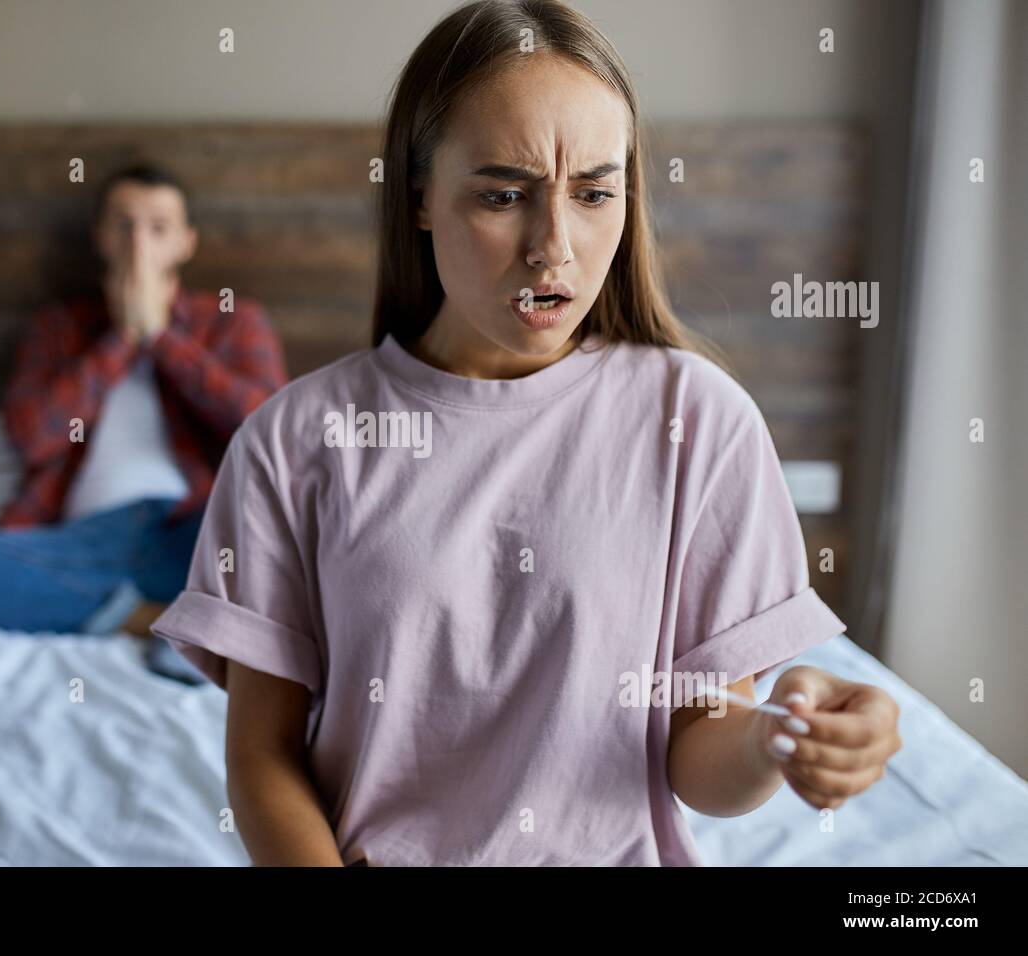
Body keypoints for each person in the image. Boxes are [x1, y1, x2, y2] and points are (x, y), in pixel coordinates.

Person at [149, 0, 902, 865]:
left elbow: (700, 762)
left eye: (592, 193)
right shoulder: (294, 442)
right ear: (420, 197)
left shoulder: (699, 422)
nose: (554, 247)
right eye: (503, 195)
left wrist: (783, 730)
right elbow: (262, 753)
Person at [0, 163, 287, 680]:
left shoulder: (233, 321)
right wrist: (121, 338)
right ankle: (165, 620)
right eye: (124, 225)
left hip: (191, 532)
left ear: (186, 242)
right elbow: (30, 439)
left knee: (284, 525)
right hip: (75, 546)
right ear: (99, 237)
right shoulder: (60, 327)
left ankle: (194, 612)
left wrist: (161, 338)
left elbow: (269, 437)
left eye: (158, 227)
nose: (139, 242)